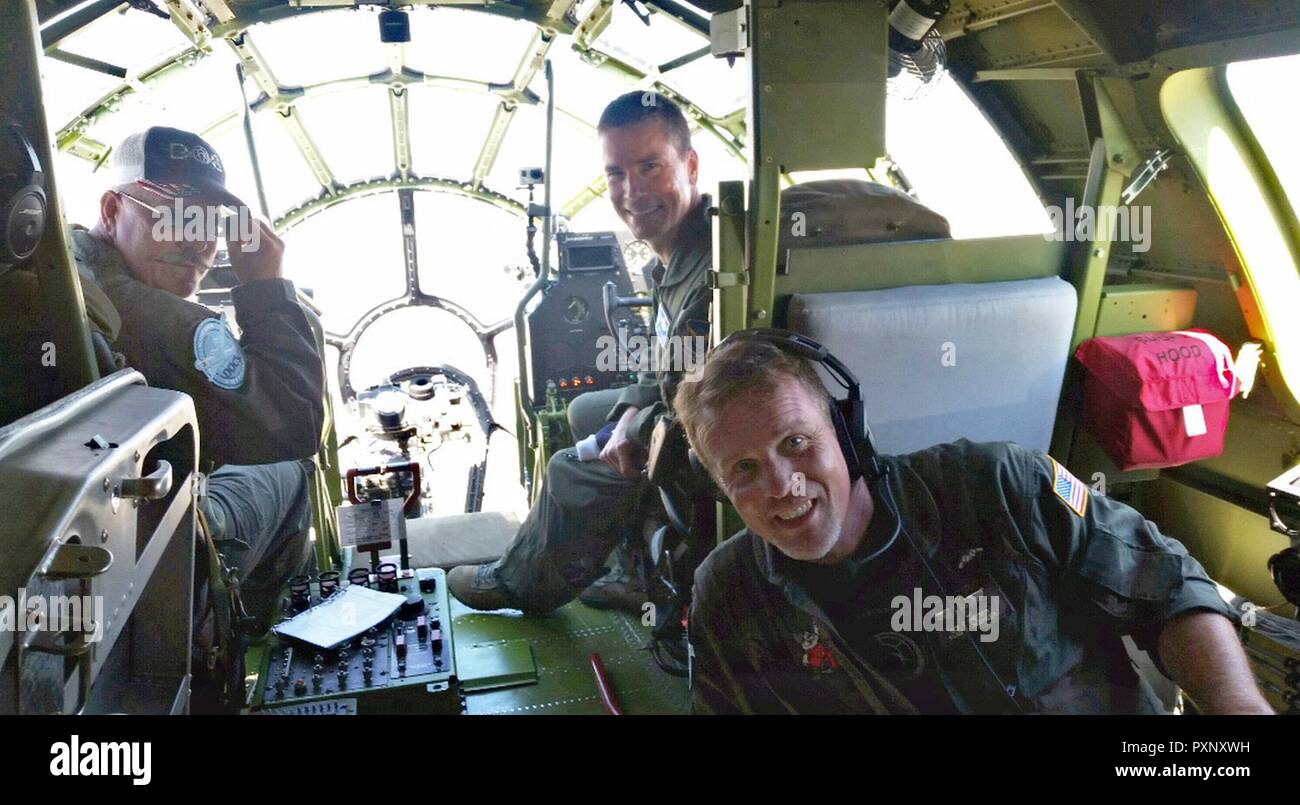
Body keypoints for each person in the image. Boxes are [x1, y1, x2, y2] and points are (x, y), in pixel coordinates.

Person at [673, 331, 1273, 714]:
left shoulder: (997, 485)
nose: (783, 485)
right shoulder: (727, 596)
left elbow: (1166, 586)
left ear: (848, 435)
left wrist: (1238, 711)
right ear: (722, 488)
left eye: (797, 442)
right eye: (744, 469)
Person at [448, 92, 712, 614]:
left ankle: (518, 583)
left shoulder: (713, 265)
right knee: (584, 409)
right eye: (616, 173)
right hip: (679, 411)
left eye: (650, 166)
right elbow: (667, 362)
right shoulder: (677, 256)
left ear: (690, 164)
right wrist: (632, 405)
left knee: (570, 467)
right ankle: (636, 572)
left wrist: (633, 428)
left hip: (709, 440)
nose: (632, 191)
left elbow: (706, 400)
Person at [73, 126, 325, 630]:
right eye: (175, 217)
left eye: (213, 223)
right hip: (152, 568)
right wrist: (267, 287)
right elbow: (293, 420)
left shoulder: (73, 268)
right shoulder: (156, 317)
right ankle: (249, 632)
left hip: (100, 544)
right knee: (293, 464)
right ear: (111, 210)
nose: (198, 244)